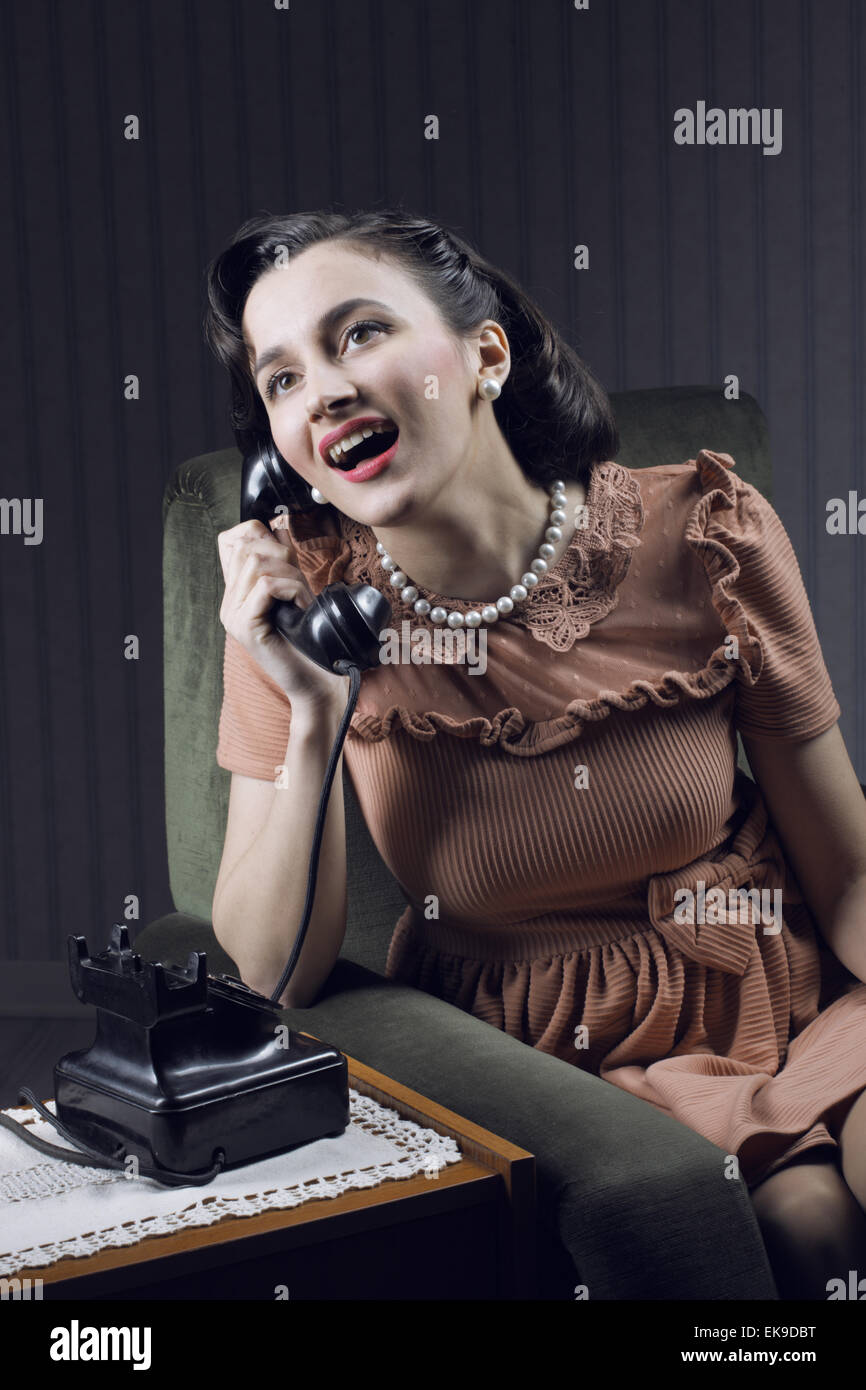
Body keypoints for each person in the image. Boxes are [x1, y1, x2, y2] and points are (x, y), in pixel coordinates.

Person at [204, 206, 866, 1300]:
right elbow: (277, 971)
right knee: (810, 1236)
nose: (318, 390)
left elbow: (843, 870)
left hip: (780, 991)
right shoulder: (297, 614)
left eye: (357, 334)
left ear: (484, 353)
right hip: (560, 1064)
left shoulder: (707, 531)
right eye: (278, 378)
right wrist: (314, 715)